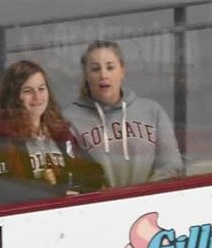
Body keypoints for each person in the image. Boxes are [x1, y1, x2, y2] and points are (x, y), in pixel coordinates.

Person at [0, 60, 105, 206]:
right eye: (28, 91)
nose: (37, 97)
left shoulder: (58, 130)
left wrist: (76, 190)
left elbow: (93, 172)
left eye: (41, 89)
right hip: (21, 220)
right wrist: (55, 194)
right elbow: (1, 190)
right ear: (13, 97)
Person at [61, 41, 185, 189]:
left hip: (148, 206)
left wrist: (141, 197)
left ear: (122, 71)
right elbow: (69, 178)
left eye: (110, 67)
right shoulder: (68, 119)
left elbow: (171, 165)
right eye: (95, 69)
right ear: (86, 75)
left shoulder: (152, 111)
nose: (103, 75)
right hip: (98, 208)